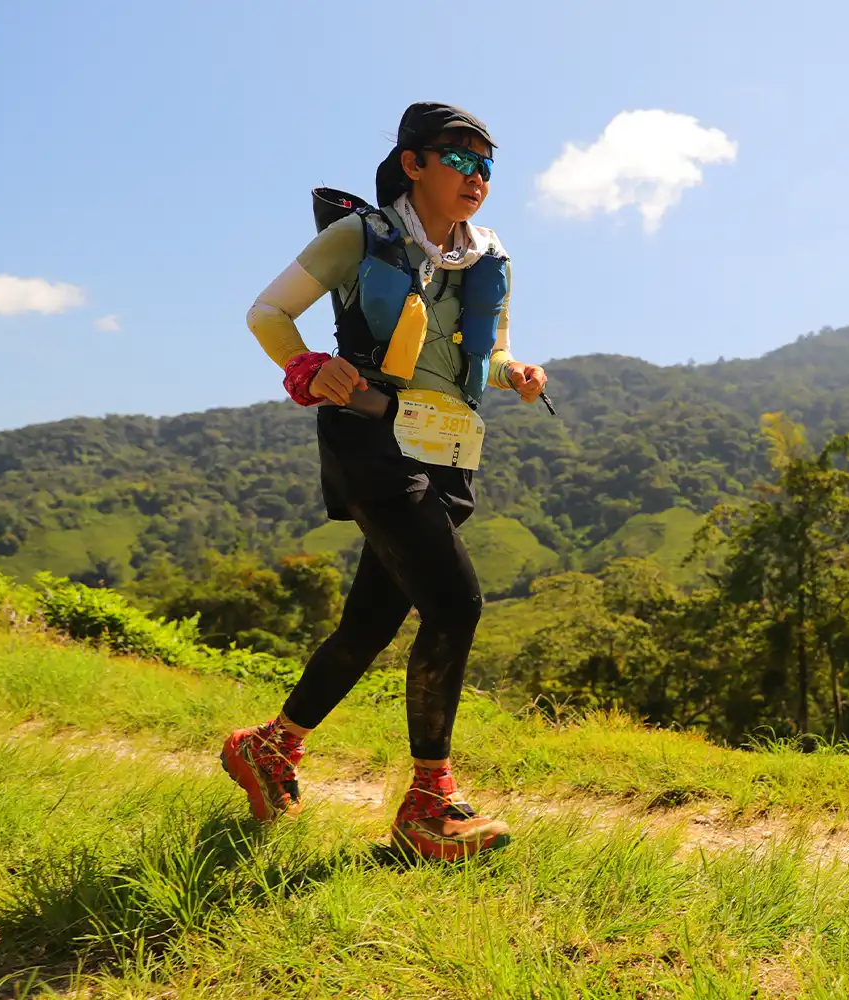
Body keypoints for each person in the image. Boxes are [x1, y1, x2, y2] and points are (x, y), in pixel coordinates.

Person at [223, 101, 547, 860]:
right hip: (373, 438)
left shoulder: (489, 258)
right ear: (414, 163)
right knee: (456, 604)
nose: (477, 178)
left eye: (487, 167)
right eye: (460, 161)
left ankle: (270, 748)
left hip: (449, 453)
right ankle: (428, 806)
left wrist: (518, 374)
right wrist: (306, 365)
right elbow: (268, 311)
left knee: (369, 624)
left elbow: (485, 356)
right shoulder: (359, 236)